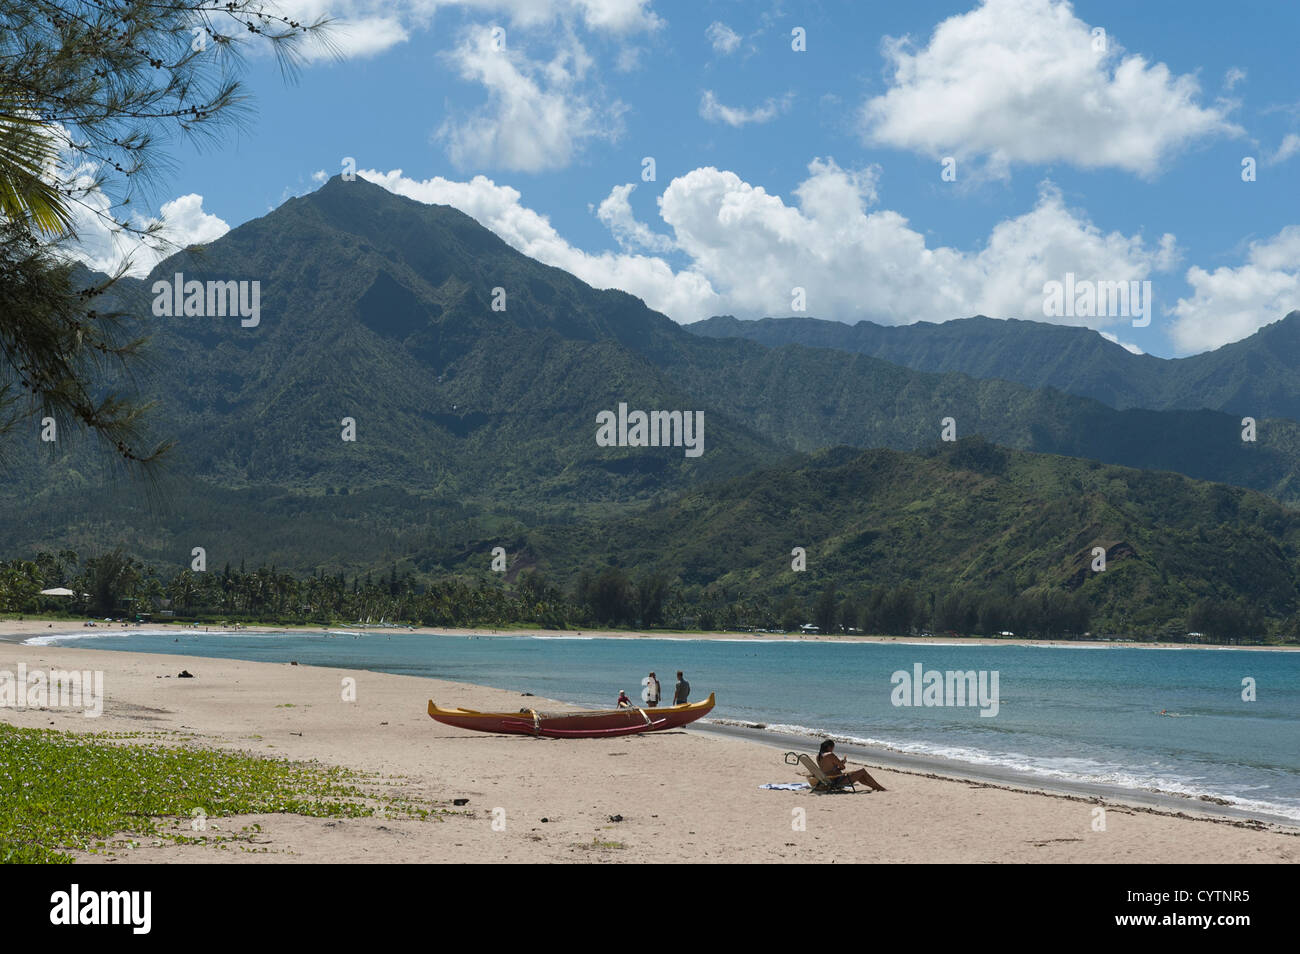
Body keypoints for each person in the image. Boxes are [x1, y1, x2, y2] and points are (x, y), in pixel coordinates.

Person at [817, 739, 886, 792]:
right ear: (829, 747)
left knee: (859, 775)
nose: (832, 749)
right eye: (832, 747)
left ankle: (875, 787)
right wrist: (843, 762)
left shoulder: (818, 756)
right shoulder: (830, 755)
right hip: (837, 781)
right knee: (862, 771)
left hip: (828, 780)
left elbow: (830, 769)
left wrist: (838, 765)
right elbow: (842, 767)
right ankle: (879, 787)